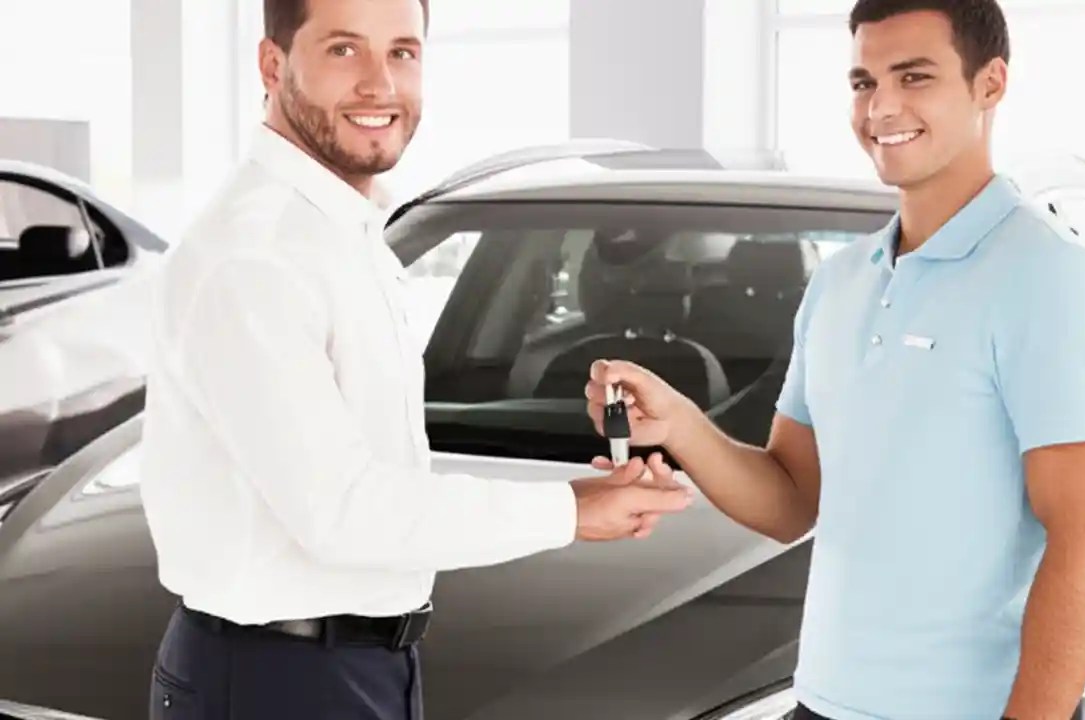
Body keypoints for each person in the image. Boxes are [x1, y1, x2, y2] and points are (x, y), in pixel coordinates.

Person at [138, 1, 692, 718]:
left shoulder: (346, 234)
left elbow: (380, 473)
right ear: (273, 66)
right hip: (279, 680)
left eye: (402, 52)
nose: (380, 84)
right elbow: (342, 510)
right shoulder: (256, 256)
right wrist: (572, 511)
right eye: (344, 50)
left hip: (357, 666)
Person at [585, 1, 1085, 718]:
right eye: (863, 82)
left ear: (989, 84)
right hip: (821, 704)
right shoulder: (842, 281)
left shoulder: (1048, 278)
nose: (882, 107)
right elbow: (791, 500)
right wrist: (683, 425)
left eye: (914, 77)